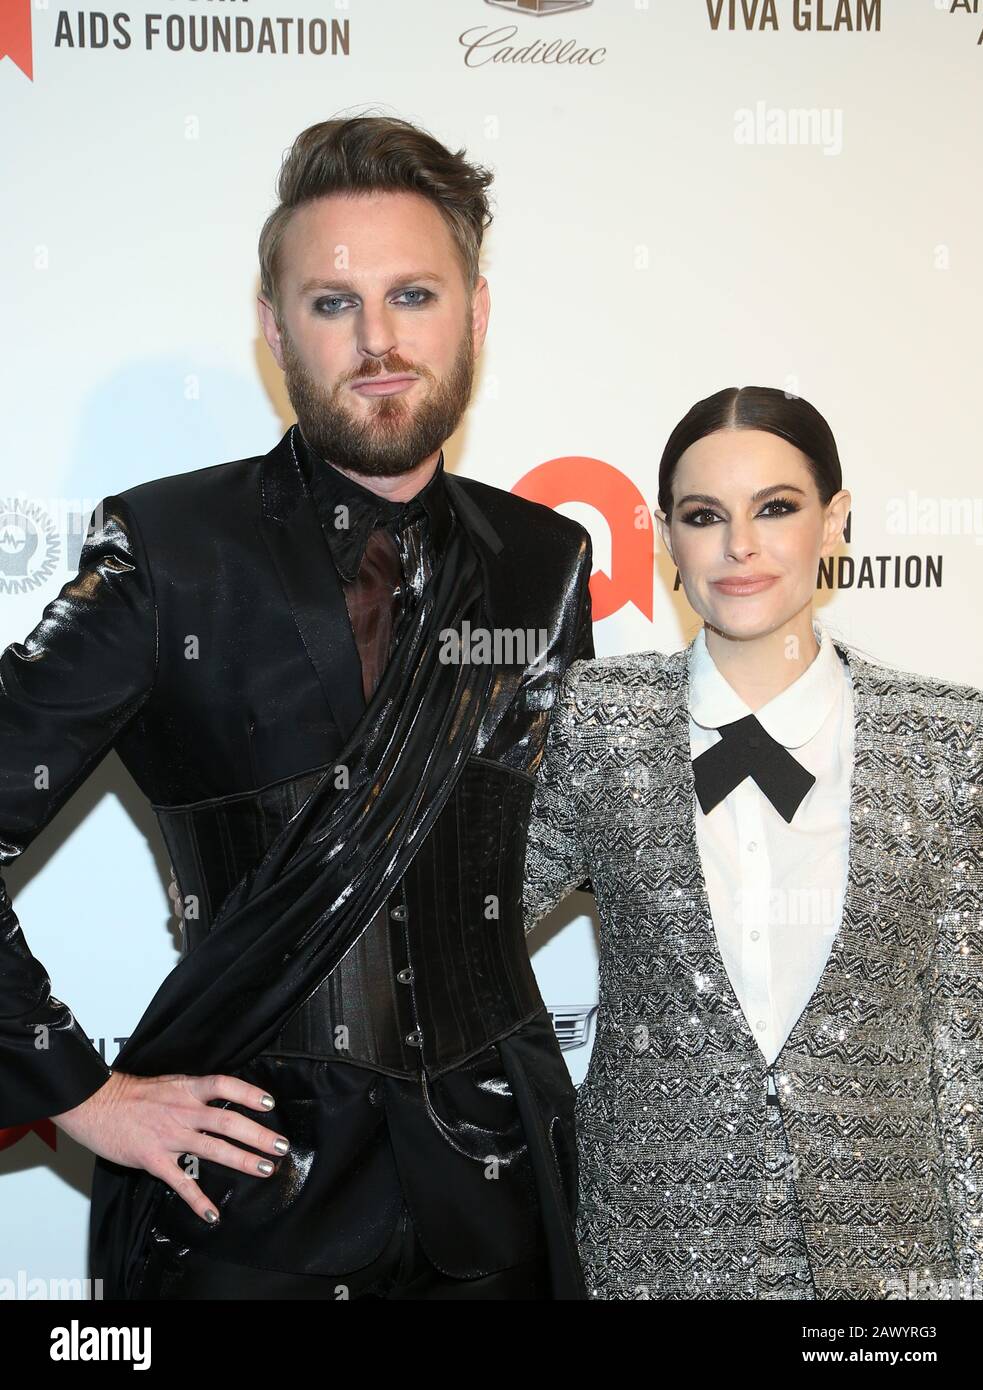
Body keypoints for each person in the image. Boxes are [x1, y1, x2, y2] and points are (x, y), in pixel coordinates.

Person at [0, 114, 594, 1300]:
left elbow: (546, 849)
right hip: (246, 1212)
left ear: (475, 314)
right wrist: (78, 1090)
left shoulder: (547, 560)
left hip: (500, 1202)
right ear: (275, 331)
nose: (378, 340)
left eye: (414, 294)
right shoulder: (172, 551)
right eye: (333, 304)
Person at [524, 385, 983, 1300]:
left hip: (887, 1275)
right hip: (652, 1254)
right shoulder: (598, 723)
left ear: (834, 520)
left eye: (776, 508)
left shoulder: (948, 738)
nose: (739, 546)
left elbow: (963, 1041)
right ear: (665, 538)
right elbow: (460, 933)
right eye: (704, 516)